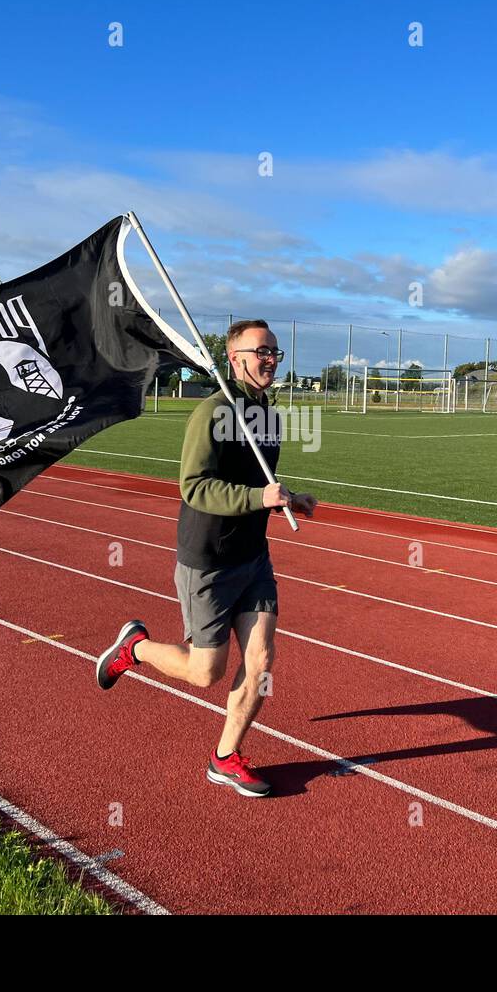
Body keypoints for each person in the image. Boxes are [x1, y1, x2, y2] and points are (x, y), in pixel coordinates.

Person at [95, 319, 317, 797]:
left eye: (276, 351)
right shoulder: (213, 412)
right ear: (235, 357)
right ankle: (134, 648)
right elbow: (194, 487)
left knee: (260, 659)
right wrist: (261, 500)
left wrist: (288, 497)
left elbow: (257, 482)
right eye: (262, 351)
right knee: (206, 672)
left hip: (253, 555)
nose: (272, 359)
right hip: (209, 559)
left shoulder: (266, 415)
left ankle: (225, 756)